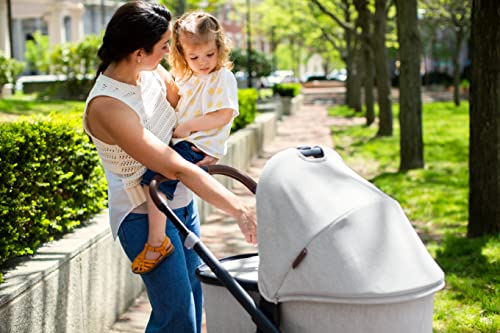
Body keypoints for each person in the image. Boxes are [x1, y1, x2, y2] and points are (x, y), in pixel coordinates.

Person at [82, 2, 256, 332]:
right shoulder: (108, 105)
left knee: (186, 304)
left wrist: (210, 139)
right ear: (137, 51)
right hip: (141, 215)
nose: (168, 53)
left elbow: (184, 103)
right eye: (163, 46)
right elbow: (173, 167)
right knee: (179, 318)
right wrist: (239, 210)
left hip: (180, 205)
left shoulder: (149, 72)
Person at [134, 10, 239, 275]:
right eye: (194, 57)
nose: (203, 62)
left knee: (156, 180)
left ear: (220, 48)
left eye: (209, 55)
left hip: (196, 144)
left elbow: (224, 114)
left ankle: (157, 241)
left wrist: (189, 127)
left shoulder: (222, 77)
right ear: (182, 54)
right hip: (185, 141)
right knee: (157, 180)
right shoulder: (188, 76)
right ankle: (163, 235)